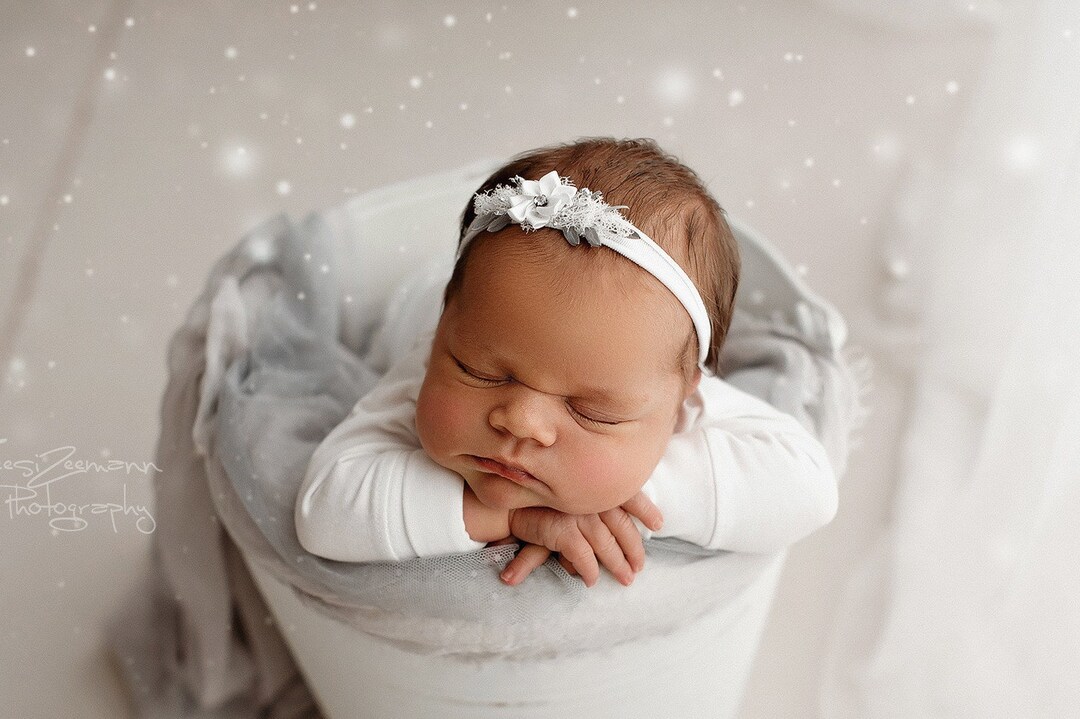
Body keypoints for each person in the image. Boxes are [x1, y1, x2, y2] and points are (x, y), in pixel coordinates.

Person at [295, 137, 837, 588]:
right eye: (483, 373)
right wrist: (509, 516)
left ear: (683, 400)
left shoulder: (666, 383)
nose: (521, 421)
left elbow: (810, 490)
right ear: (444, 335)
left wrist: (624, 496)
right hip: (413, 301)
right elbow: (324, 512)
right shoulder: (424, 368)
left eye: (591, 412)